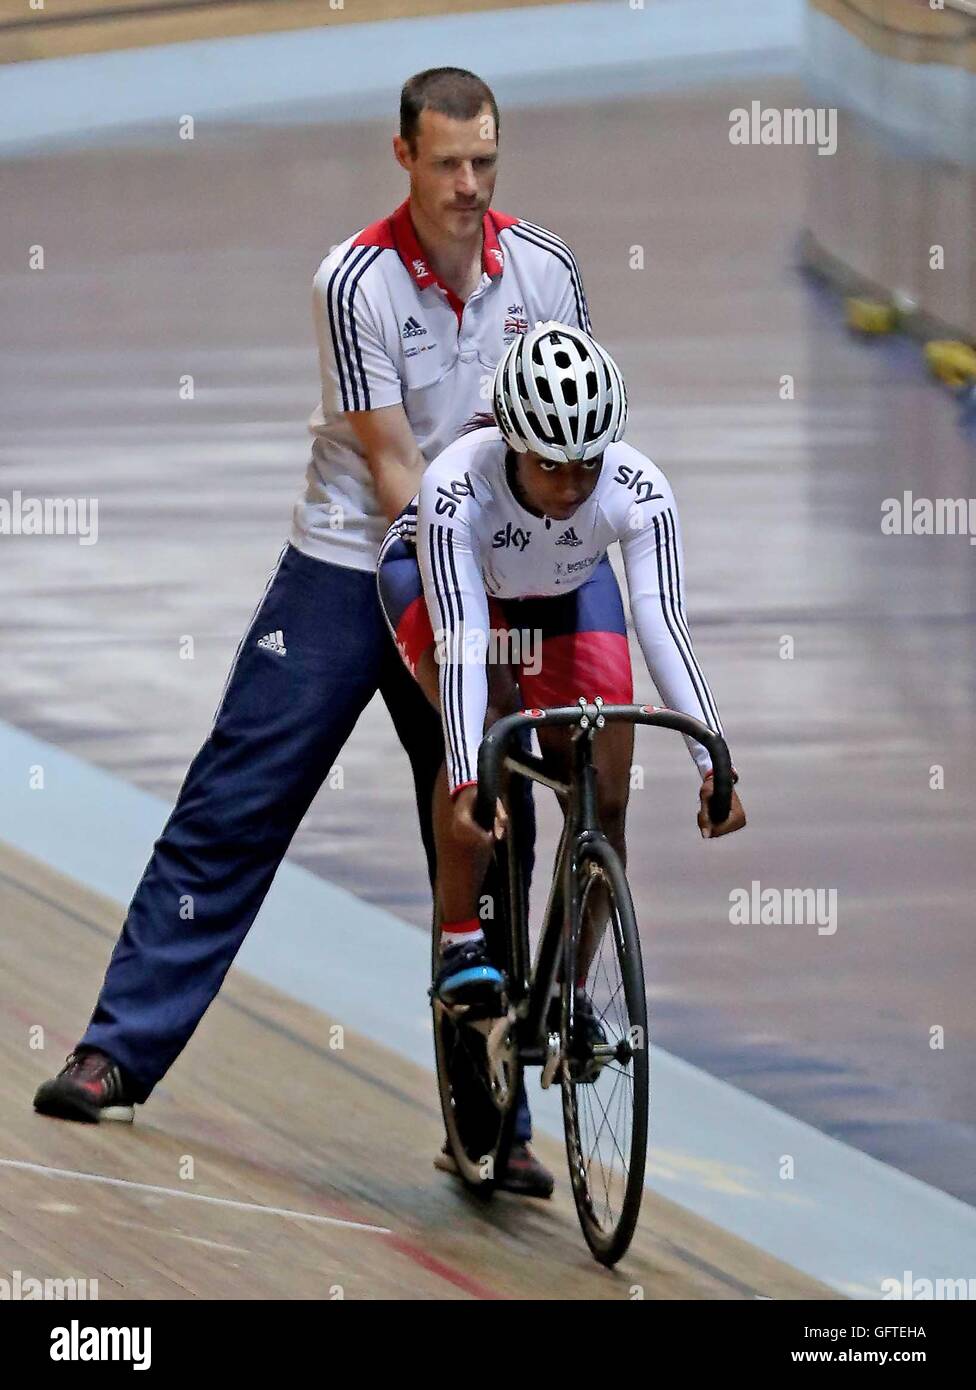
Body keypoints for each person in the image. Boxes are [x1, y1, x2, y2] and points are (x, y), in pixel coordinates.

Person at [33, 68, 595, 1199]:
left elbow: (564, 446)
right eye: (448, 163)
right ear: (404, 157)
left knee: (491, 816)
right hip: (352, 561)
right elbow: (393, 469)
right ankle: (116, 1051)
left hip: (485, 572)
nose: (470, 185)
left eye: (485, 162)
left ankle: (491, 1122)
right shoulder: (355, 280)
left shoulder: (548, 272)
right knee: (236, 797)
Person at [377, 320, 746, 1011]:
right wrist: (470, 774)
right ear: (514, 445)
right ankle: (461, 941)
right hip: (452, 590)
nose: (573, 485)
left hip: (566, 588)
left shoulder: (639, 487)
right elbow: (464, 639)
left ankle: (566, 993)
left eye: (588, 464)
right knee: (486, 722)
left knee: (605, 798)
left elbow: (662, 624)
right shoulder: (457, 485)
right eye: (550, 465)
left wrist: (713, 762)